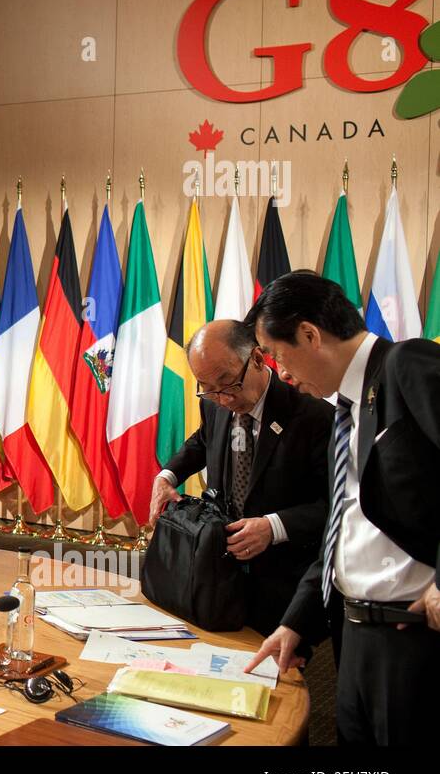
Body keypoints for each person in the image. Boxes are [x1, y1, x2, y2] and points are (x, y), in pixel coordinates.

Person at [244, 270, 440, 745]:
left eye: (279, 354)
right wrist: (295, 622)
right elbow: (343, 528)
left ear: (310, 334)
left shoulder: (406, 365)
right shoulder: (344, 410)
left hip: (413, 641)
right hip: (353, 638)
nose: (281, 372)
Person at [148, 320, 332, 642]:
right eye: (206, 386)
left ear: (258, 359)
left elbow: (332, 506)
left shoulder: (313, 417)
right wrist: (168, 475)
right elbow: (203, 441)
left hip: (279, 585)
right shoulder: (214, 402)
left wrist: (273, 527)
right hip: (217, 575)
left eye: (228, 383)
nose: (222, 399)